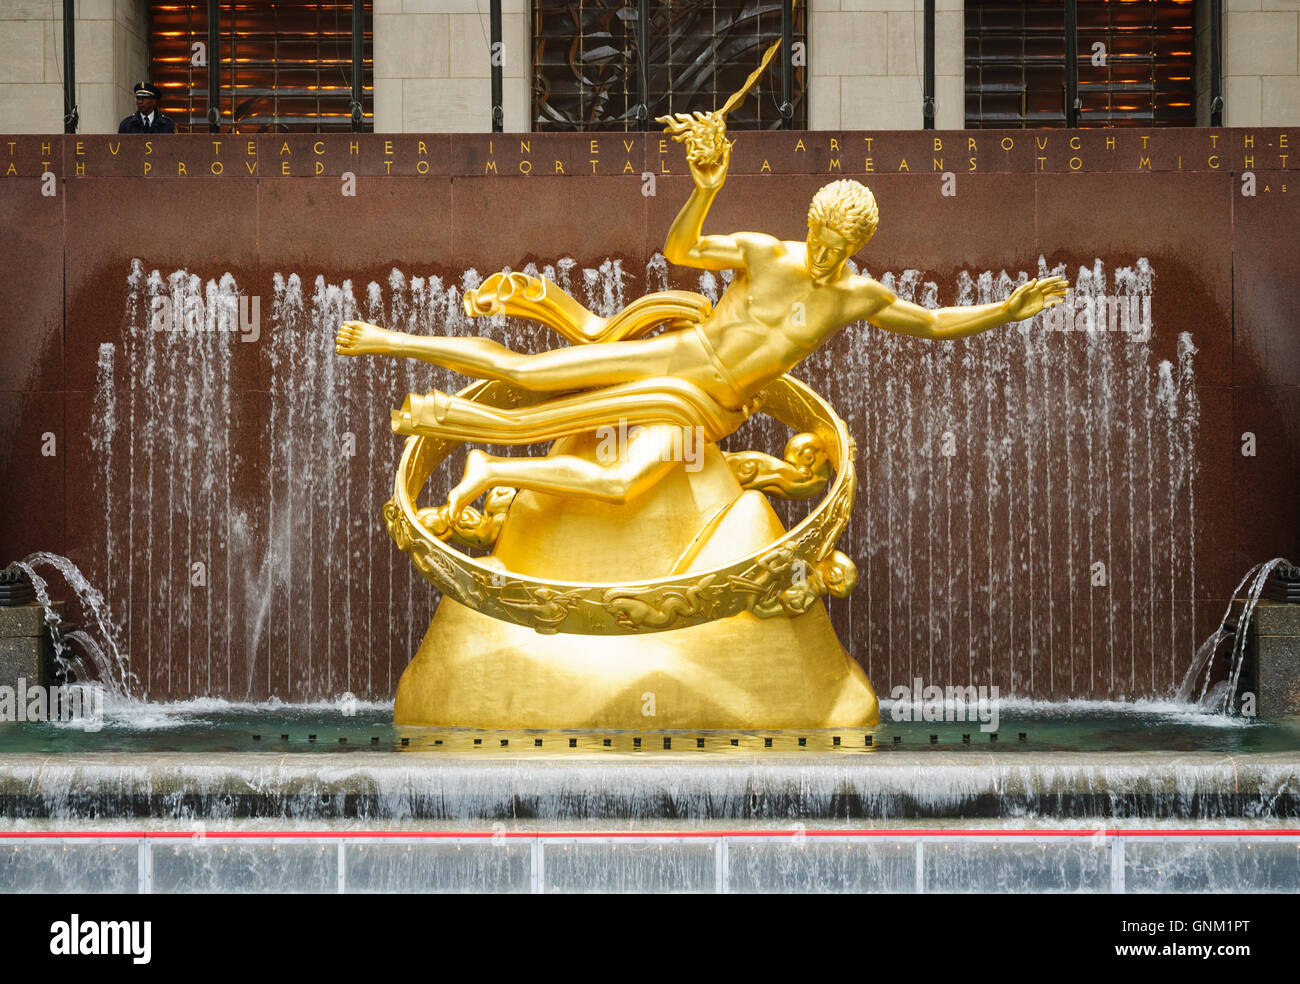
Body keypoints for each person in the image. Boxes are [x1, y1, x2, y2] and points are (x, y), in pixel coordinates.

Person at [336, 113, 1067, 517]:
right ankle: (388, 340)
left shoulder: (857, 297)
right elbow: (680, 246)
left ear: (858, 247)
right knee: (532, 374)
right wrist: (706, 186)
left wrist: (1005, 311)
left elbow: (934, 324)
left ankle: (486, 460)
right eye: (818, 236)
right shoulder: (763, 252)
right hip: (677, 359)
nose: (821, 253)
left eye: (838, 246)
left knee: (621, 482)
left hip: (712, 409)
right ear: (809, 225)